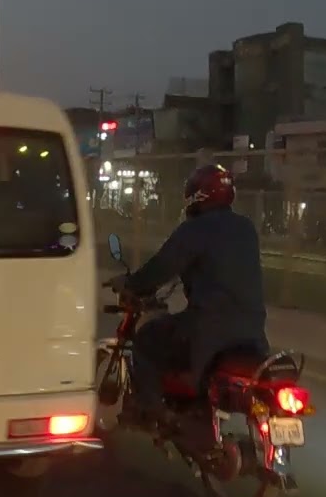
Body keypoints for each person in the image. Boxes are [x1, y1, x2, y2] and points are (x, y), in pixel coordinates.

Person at [109, 164, 268, 426]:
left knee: (148, 338)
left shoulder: (195, 229)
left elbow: (161, 268)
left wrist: (132, 285)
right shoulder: (245, 228)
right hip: (252, 333)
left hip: (209, 330)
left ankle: (153, 411)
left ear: (198, 195)